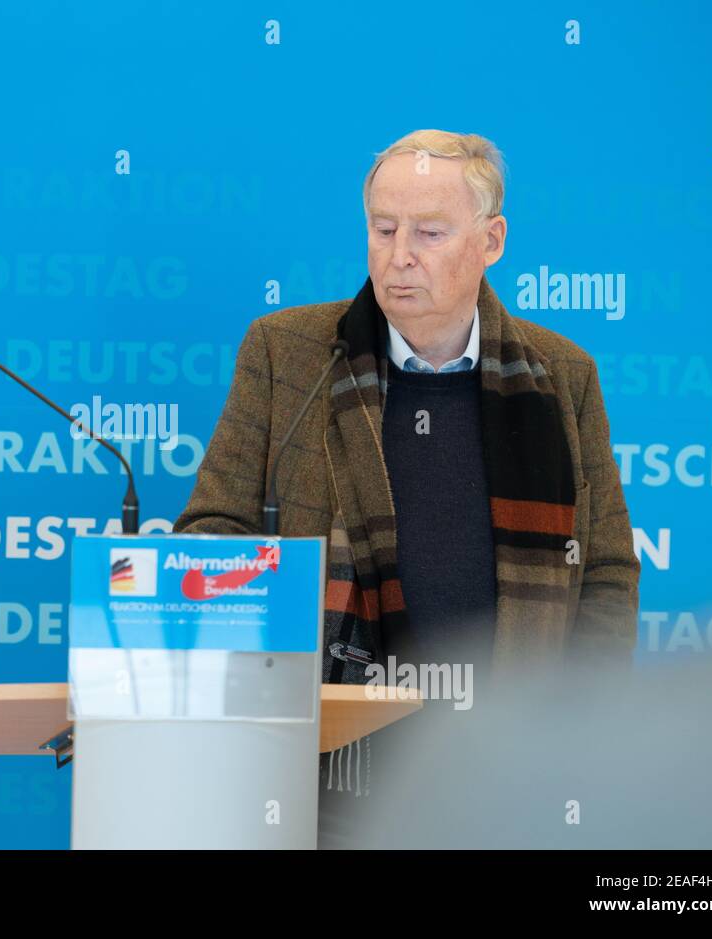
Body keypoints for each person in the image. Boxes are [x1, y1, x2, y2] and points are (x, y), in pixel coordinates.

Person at [173, 129, 639, 846]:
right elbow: (209, 534)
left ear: (491, 240)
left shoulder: (561, 375)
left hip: (508, 772)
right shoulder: (286, 353)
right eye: (383, 228)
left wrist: (572, 727)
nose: (398, 256)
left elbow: (605, 570)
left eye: (429, 231)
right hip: (327, 768)